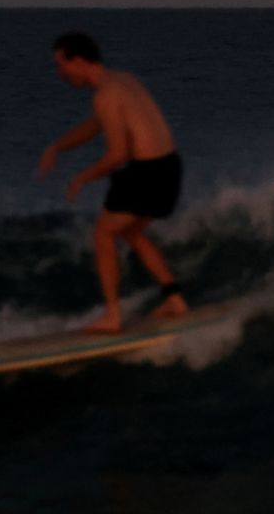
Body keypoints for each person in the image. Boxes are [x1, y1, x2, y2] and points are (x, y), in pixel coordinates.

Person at [38, 32, 189, 334]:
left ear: (78, 61)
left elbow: (117, 154)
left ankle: (112, 316)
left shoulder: (105, 94)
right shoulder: (123, 80)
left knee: (103, 235)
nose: (59, 73)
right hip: (169, 166)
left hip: (145, 173)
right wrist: (57, 146)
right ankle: (174, 299)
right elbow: (93, 127)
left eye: (61, 65)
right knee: (131, 232)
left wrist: (82, 178)